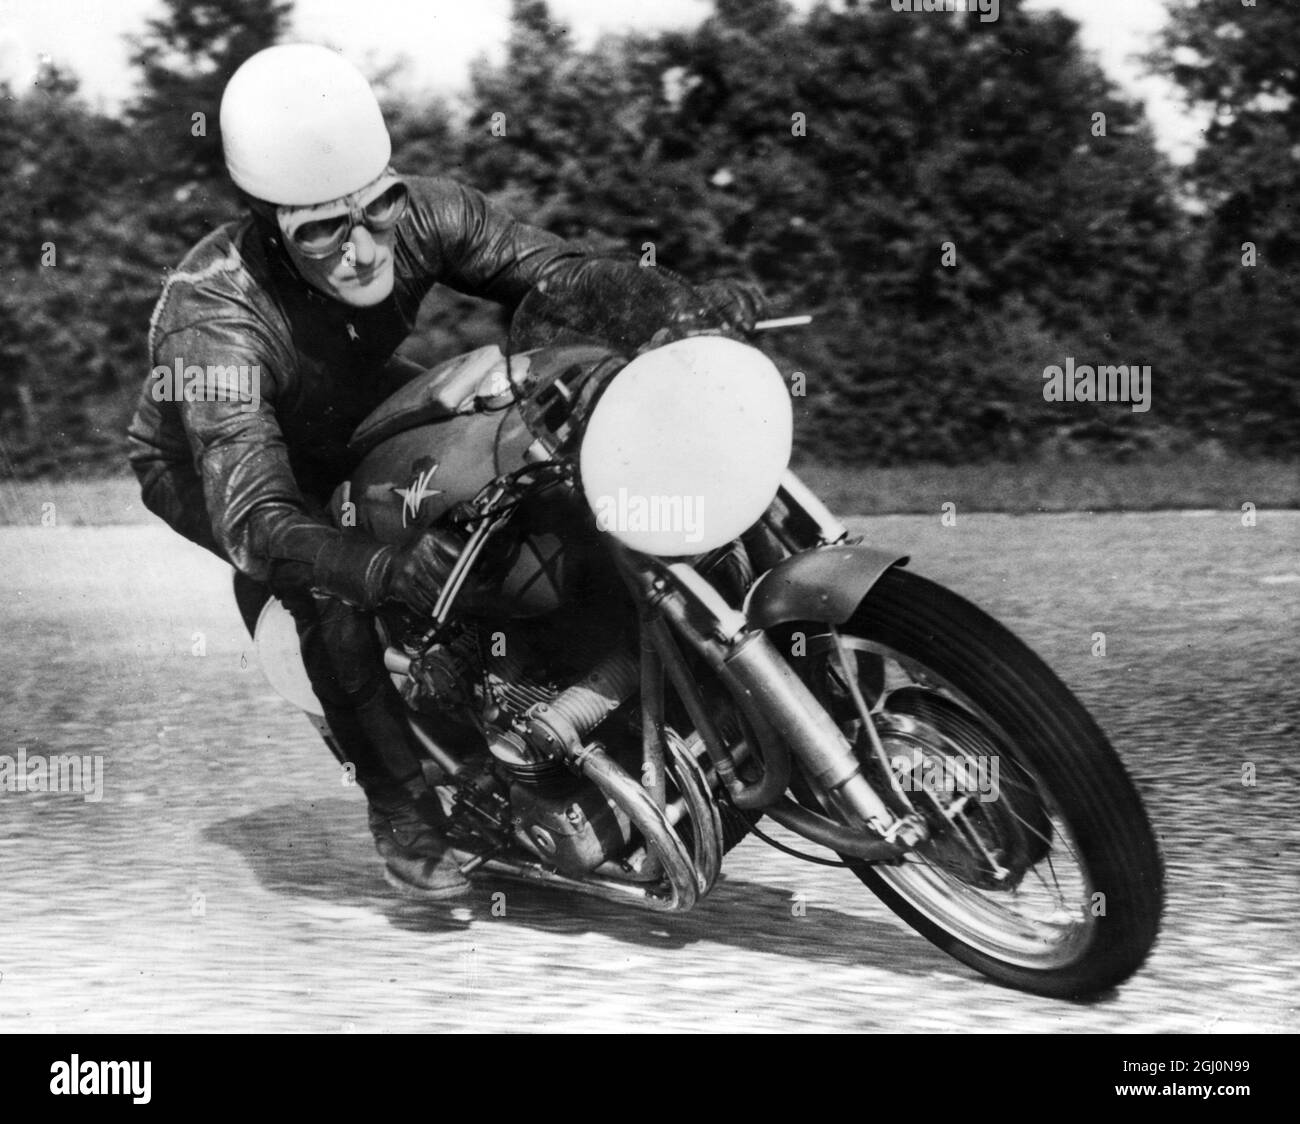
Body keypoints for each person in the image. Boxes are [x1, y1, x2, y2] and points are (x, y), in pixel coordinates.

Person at [126, 43, 766, 898]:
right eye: (320, 231)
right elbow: (256, 516)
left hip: (351, 398)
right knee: (333, 585)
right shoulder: (213, 318)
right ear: (271, 230)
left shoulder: (428, 212)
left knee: (536, 441)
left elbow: (562, 276)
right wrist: (385, 568)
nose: (360, 250)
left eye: (376, 211)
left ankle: (574, 672)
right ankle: (403, 809)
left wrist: (676, 308)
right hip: (214, 459)